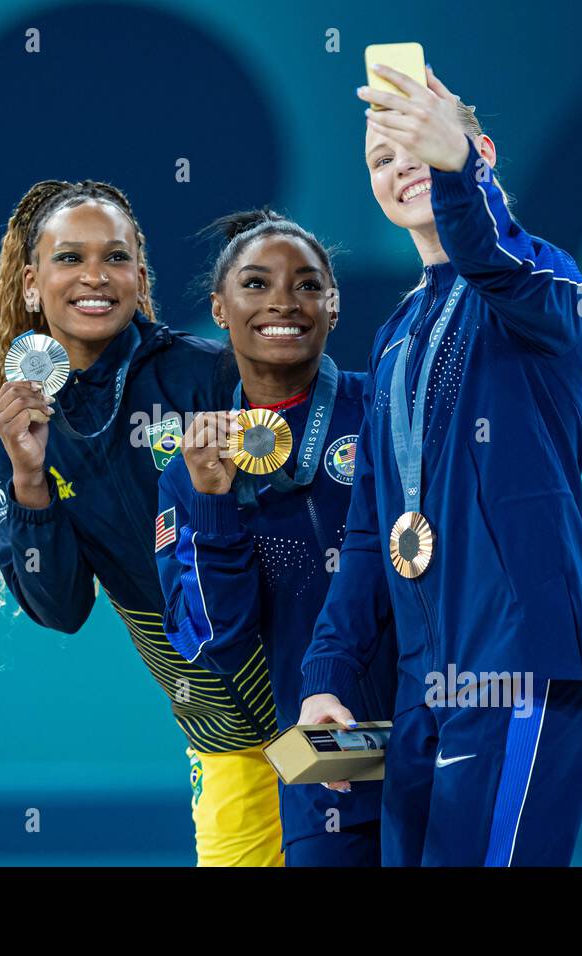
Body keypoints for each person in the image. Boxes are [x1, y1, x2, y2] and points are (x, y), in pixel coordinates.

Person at [299, 65, 582, 866]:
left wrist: (458, 173)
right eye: (381, 159)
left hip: (521, 665)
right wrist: (326, 673)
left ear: (480, 151)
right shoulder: (396, 333)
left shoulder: (546, 284)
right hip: (422, 690)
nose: (400, 164)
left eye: (416, 142)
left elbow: (490, 254)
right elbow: (372, 531)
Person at [0, 179, 284, 866]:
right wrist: (27, 481)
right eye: (69, 258)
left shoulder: (213, 376)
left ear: (140, 277)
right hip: (222, 736)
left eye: (115, 258)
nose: (94, 277)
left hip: (315, 706)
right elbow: (61, 609)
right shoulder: (18, 423)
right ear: (30, 282)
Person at [155, 209, 396, 866]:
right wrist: (212, 509)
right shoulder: (189, 470)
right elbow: (215, 647)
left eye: (308, 284)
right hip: (320, 755)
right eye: (256, 284)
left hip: (435, 736)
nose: (284, 302)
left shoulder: (389, 412)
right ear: (220, 308)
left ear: (335, 305)